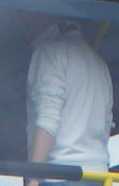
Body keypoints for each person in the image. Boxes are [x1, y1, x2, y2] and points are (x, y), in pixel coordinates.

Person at [26, 19, 113, 176]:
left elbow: (48, 120)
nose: (26, 22)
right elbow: (105, 126)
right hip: (99, 177)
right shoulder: (100, 64)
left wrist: (33, 178)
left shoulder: (48, 52)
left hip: (60, 175)